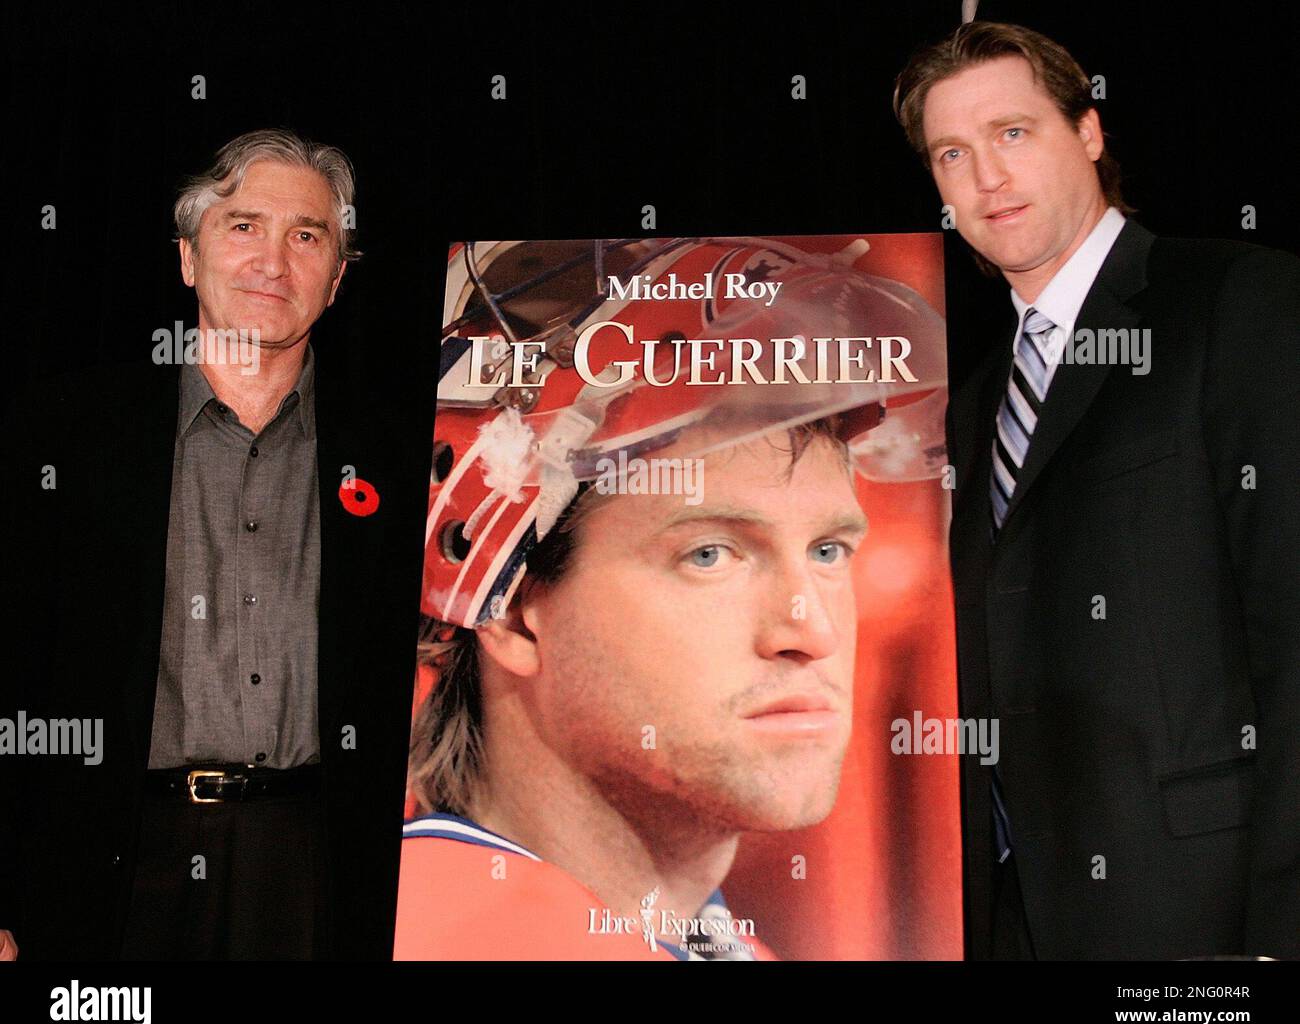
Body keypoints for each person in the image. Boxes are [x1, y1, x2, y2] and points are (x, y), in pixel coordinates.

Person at [397, 236, 949, 959]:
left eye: (827, 551)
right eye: (710, 555)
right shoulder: (470, 936)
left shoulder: (699, 943)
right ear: (511, 611)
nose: (811, 631)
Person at [893, 21, 1299, 959]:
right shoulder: (964, 403)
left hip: (1207, 918)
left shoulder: (1236, 301)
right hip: (1019, 920)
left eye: (1013, 133)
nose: (986, 177)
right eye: (952, 153)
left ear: (1088, 132)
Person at [0, 128, 421, 960]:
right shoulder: (62, 438)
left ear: (337, 280)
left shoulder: (408, 458)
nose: (274, 259)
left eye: (308, 236)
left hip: (323, 882)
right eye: (243, 226)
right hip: (108, 877)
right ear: (189, 258)